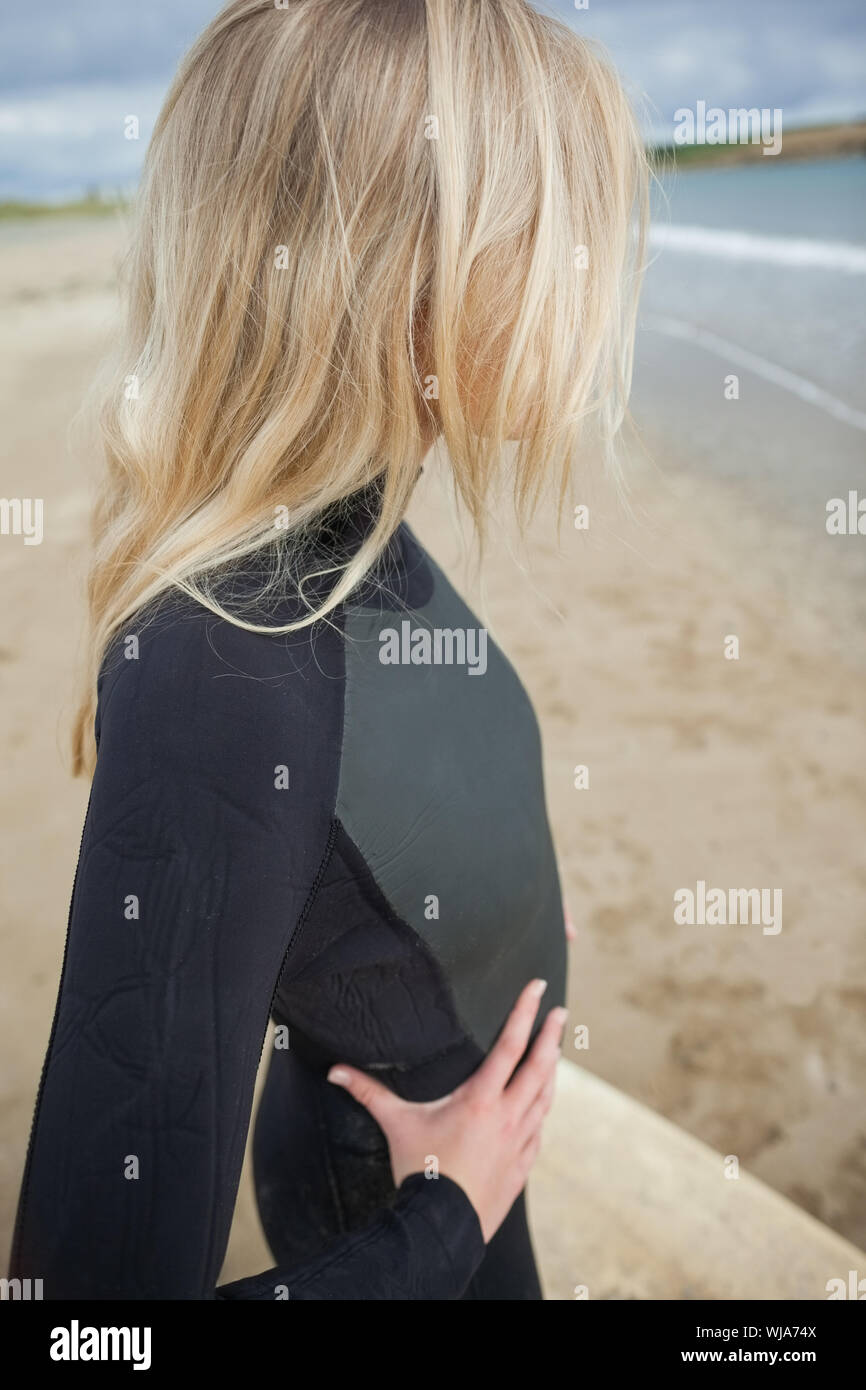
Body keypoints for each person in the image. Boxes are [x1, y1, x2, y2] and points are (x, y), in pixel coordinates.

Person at [10, 0, 647, 1300]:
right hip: (417, 1214)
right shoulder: (221, 667)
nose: (584, 273)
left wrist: (490, 904)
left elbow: (374, 807)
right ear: (391, 264)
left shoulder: (354, 509)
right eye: (546, 222)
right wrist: (442, 1216)